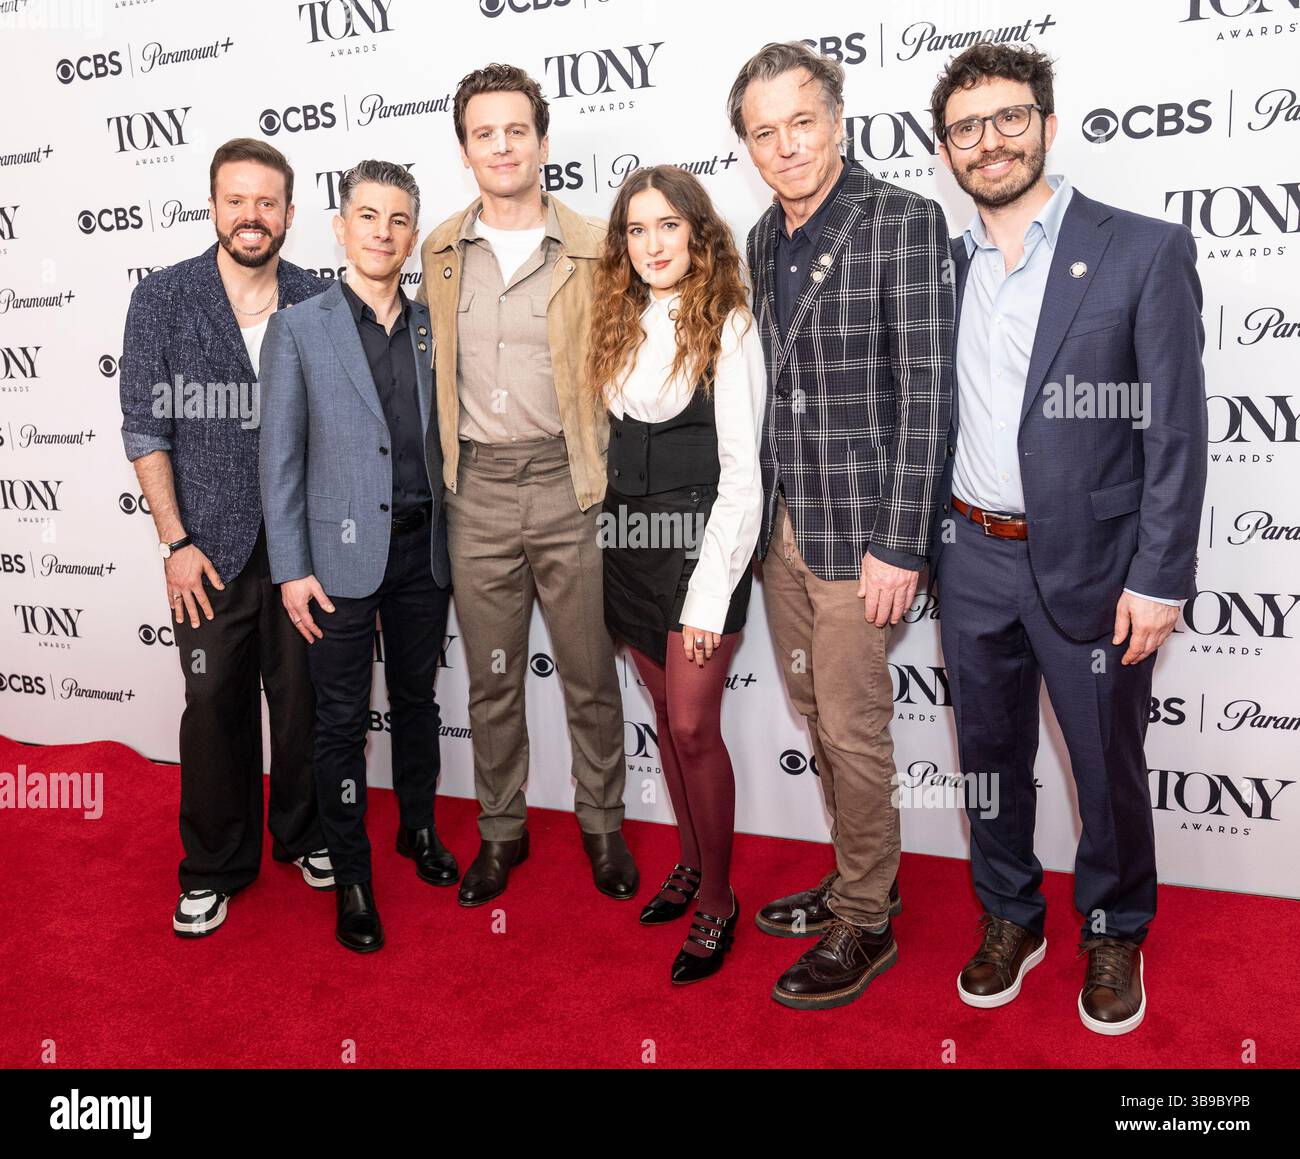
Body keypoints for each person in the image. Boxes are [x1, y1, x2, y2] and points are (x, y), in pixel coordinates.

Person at [927, 43, 1207, 1035]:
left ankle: (1112, 923)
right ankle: (1009, 914)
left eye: (1007, 119)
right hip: (968, 556)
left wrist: (1160, 574)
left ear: (1046, 123)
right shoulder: (939, 264)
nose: (987, 142)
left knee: (1104, 763)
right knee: (987, 758)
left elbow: (1173, 427)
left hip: (1093, 561)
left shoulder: (1139, 249)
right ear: (946, 149)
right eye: (965, 128)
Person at [728, 41, 955, 1009]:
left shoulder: (902, 221)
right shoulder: (756, 237)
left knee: (853, 730)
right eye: (763, 132)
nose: (785, 147)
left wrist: (900, 541)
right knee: (818, 717)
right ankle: (861, 874)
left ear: (838, 119)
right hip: (781, 526)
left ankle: (865, 921)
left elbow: (929, 394)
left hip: (861, 537)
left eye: (801, 122)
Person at [416, 63, 637, 907]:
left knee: (588, 671)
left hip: (569, 483)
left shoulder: (592, 245)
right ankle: (501, 832)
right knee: (492, 676)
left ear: (542, 143)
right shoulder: (437, 251)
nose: (502, 146)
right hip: (475, 489)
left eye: (517, 130)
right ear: (465, 150)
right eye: (484, 134)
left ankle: (604, 826)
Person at [119, 138, 331, 939]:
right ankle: (213, 863)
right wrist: (175, 541)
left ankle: (306, 835)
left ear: (288, 213)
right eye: (237, 200)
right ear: (212, 206)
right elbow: (145, 427)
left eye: (267, 202)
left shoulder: (317, 299)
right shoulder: (163, 299)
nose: (252, 216)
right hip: (207, 549)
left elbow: (338, 430)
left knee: (304, 699)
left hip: (301, 551)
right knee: (212, 707)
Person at [259, 161, 454, 954]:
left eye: (399, 218)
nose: (383, 231)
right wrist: (290, 568)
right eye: (367, 216)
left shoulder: (431, 326)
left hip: (422, 556)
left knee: (417, 704)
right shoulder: (299, 328)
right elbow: (280, 460)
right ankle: (353, 876)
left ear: (413, 234)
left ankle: (417, 827)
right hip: (334, 567)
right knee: (338, 724)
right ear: (339, 228)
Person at [588, 165, 765, 984]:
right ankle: (691, 862)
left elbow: (741, 477)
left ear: (696, 232)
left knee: (694, 726)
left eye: (667, 226)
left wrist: (707, 590)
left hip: (705, 546)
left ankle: (718, 902)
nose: (652, 244)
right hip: (628, 540)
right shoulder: (617, 318)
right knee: (663, 713)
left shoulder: (727, 324)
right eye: (636, 229)